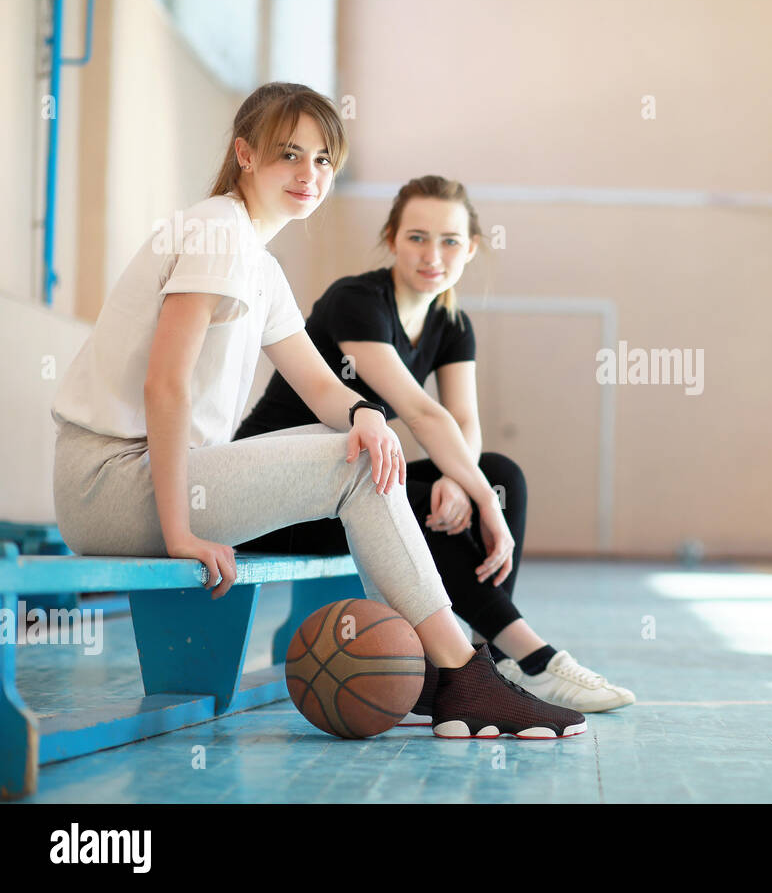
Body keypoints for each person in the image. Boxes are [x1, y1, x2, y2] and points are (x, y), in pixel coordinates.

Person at [49, 82, 585, 739]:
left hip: (158, 476)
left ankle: (445, 676)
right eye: (289, 155)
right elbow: (167, 385)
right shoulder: (217, 230)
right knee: (355, 464)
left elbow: (322, 387)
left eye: (324, 159)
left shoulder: (259, 262)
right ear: (245, 155)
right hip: (107, 483)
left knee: (362, 444)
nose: (310, 174)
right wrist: (180, 533)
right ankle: (462, 674)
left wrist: (364, 415)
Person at [233, 175, 635, 713]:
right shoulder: (355, 301)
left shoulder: (451, 323)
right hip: (276, 502)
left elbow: (462, 418)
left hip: (348, 492)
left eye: (449, 241)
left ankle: (491, 660)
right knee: (431, 498)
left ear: (470, 248)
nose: (432, 255)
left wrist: (462, 480)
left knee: (497, 472)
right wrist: (481, 503)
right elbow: (421, 412)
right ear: (393, 239)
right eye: (417, 237)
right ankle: (533, 657)